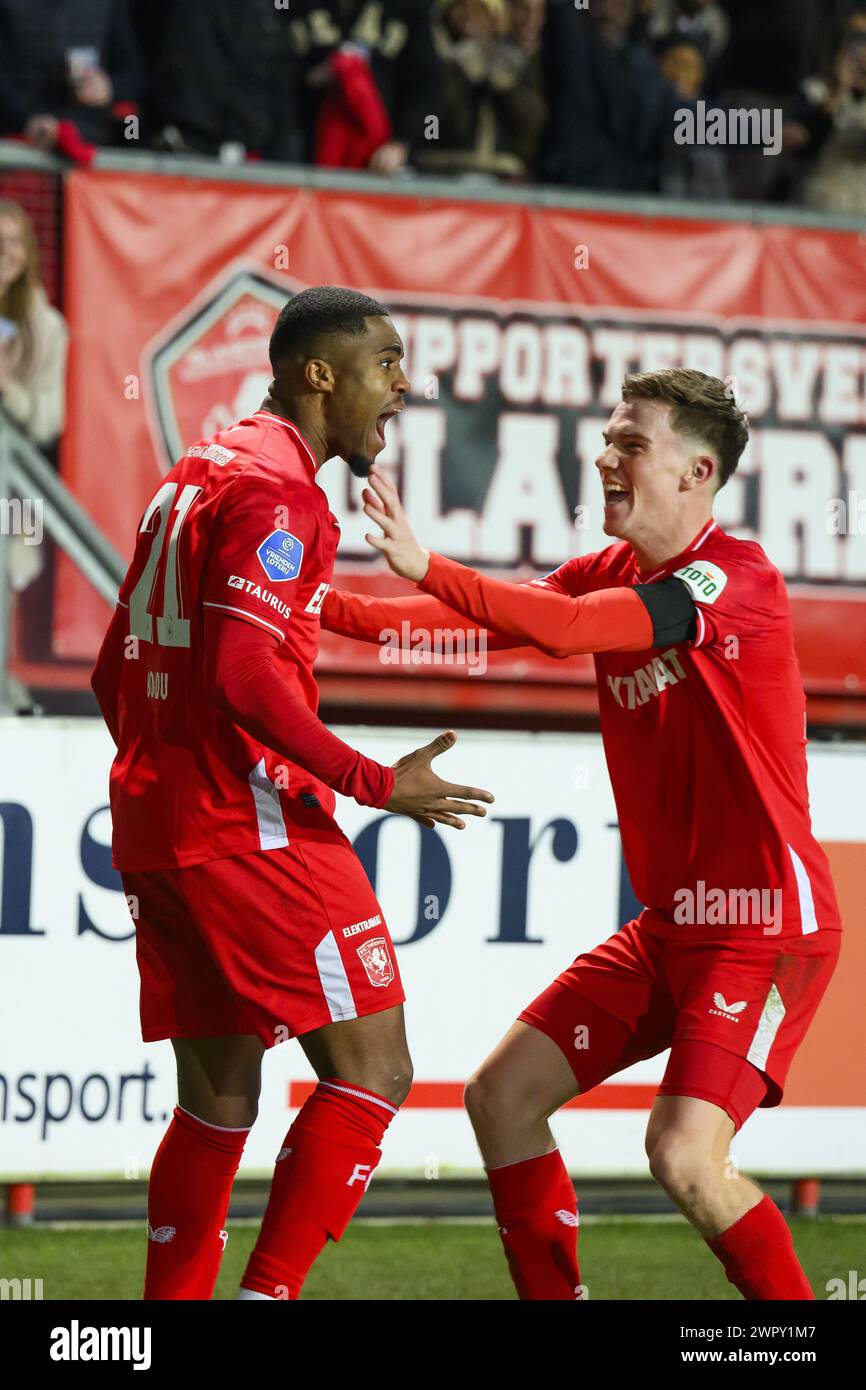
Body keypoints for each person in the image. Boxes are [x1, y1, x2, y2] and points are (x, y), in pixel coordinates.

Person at [322, 367, 841, 1300]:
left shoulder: (735, 579)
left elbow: (562, 630)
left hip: (765, 928)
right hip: (671, 927)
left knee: (683, 1156)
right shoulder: (608, 572)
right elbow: (476, 627)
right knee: (501, 1099)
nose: (604, 457)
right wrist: (317, 608)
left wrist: (429, 563)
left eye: (631, 444)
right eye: (608, 439)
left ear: (698, 471)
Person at [90, 286, 493, 1301]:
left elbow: (114, 667)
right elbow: (240, 673)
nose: (401, 387)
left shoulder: (198, 471)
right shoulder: (283, 495)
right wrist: (371, 781)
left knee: (218, 1102)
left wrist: (161, 777)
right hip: (249, 825)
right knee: (373, 1068)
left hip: (156, 823)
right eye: (386, 365)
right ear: (319, 373)